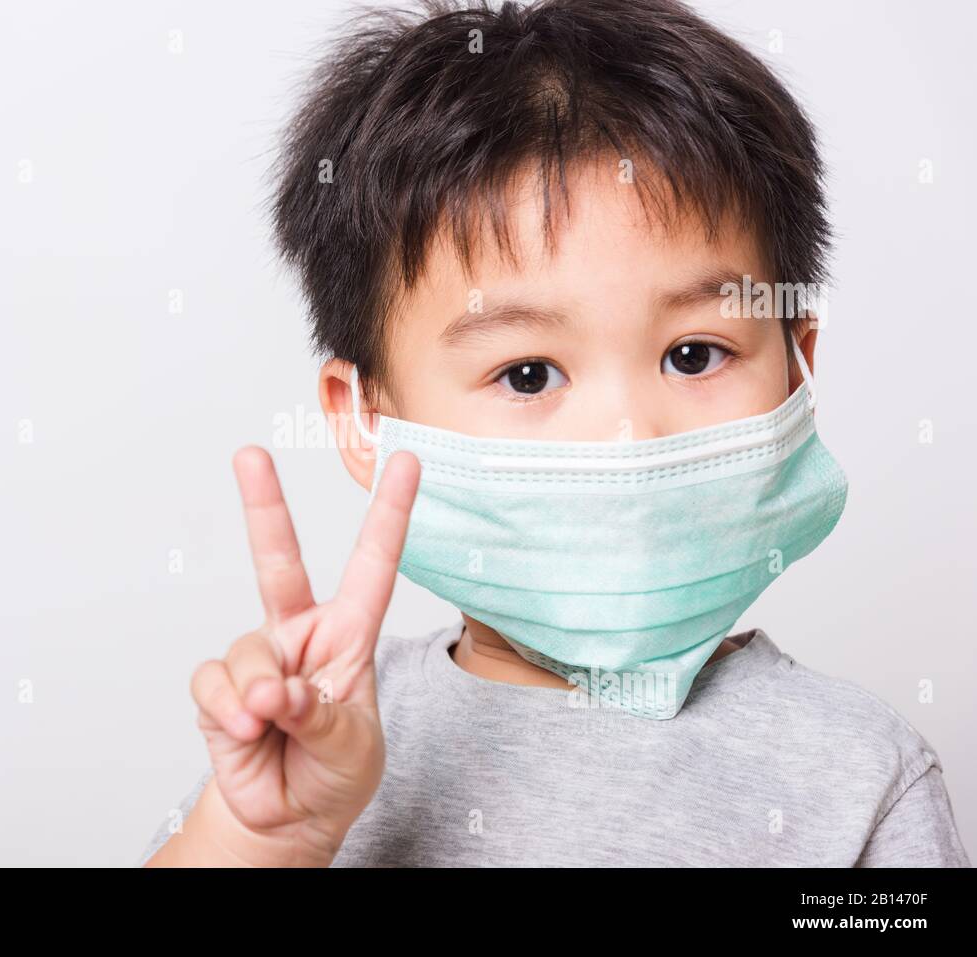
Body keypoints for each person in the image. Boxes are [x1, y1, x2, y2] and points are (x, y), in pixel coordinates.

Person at [140, 0, 969, 866]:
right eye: (527, 373)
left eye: (694, 353)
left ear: (798, 366)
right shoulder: (318, 731)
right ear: (368, 420)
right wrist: (259, 838)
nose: (626, 435)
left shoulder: (862, 778)